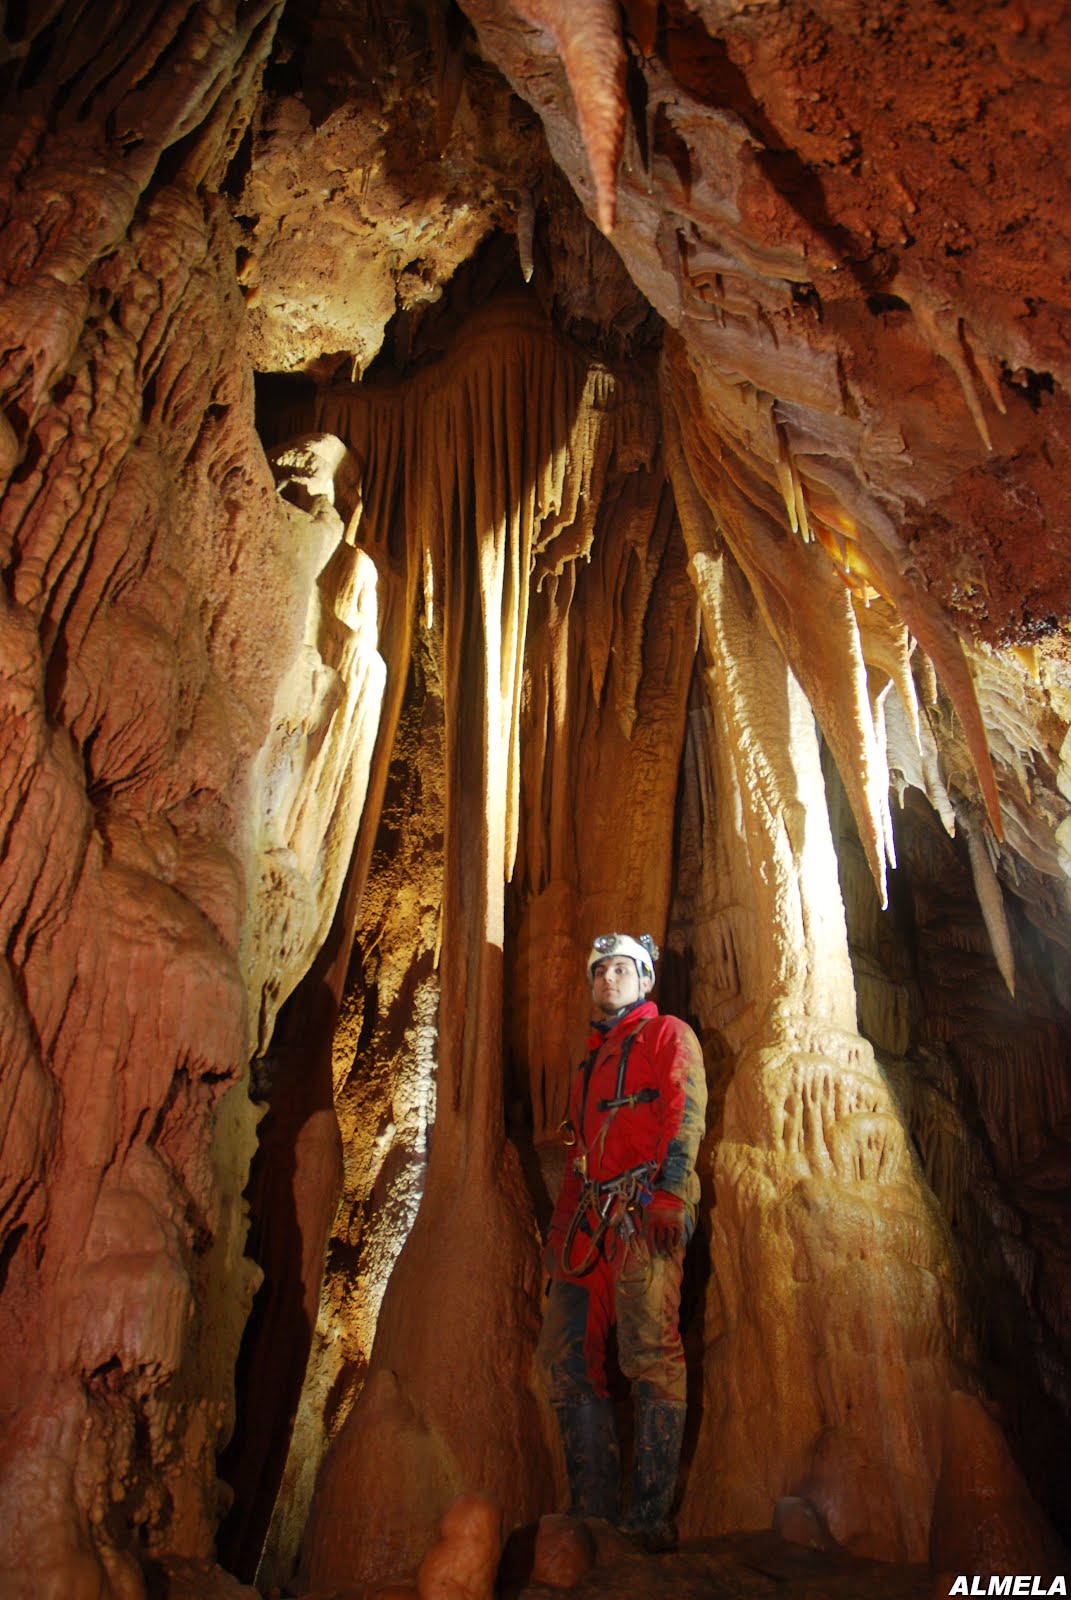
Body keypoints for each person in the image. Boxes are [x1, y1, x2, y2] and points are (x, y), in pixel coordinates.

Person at [536, 932, 708, 1549]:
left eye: (622, 969)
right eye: (600, 970)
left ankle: (649, 1520)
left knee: (649, 1352)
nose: (609, 979)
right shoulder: (588, 1067)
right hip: (590, 1218)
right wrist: (559, 1237)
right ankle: (595, 1513)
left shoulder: (668, 1037)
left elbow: (684, 1113)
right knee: (562, 1356)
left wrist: (669, 1192)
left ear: (645, 979)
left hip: (644, 1212)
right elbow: (577, 1155)